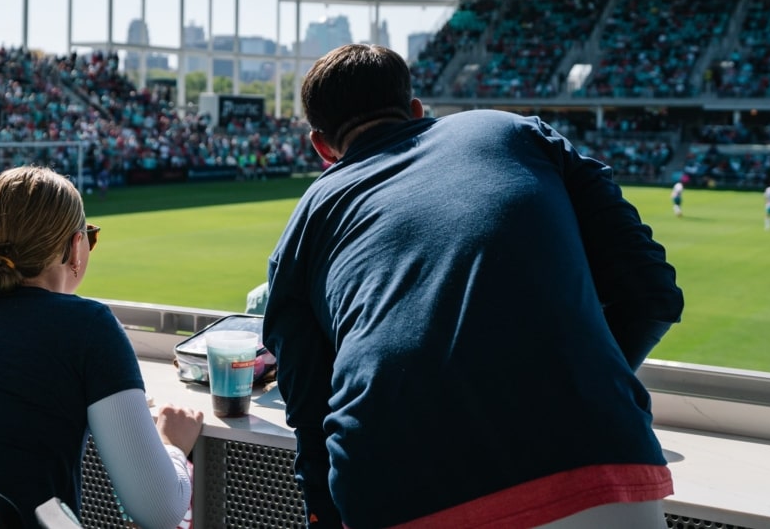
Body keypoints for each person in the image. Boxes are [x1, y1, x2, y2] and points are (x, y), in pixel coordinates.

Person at [262, 44, 683, 529]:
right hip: (599, 460)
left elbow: (309, 414)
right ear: (417, 110)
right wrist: (567, 386)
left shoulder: (305, 222)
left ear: (321, 147)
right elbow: (653, 294)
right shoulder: (517, 131)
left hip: (395, 490)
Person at [0, 166, 201, 528]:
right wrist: (173, 445)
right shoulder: (89, 327)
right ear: (75, 248)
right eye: (89, 238)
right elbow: (159, 511)